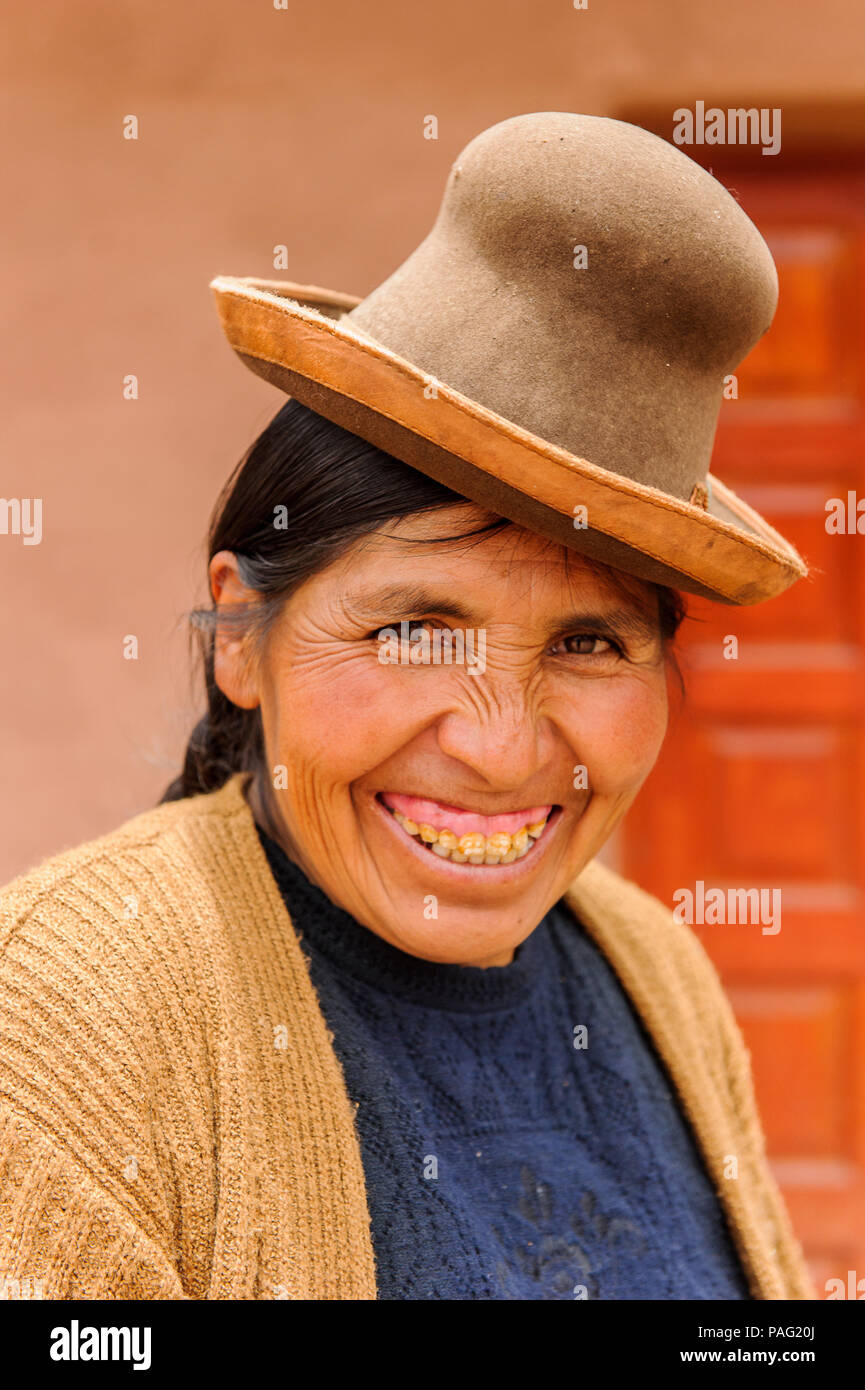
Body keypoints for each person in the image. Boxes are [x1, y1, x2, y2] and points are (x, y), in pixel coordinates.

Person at [0, 111, 813, 1300]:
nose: (496, 746)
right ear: (239, 634)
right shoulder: (66, 1021)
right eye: (414, 630)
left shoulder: (657, 971)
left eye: (588, 642)